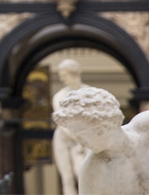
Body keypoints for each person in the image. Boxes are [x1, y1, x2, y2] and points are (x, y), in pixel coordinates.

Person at [53, 86, 149, 195]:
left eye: (81, 135)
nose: (80, 142)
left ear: (99, 126)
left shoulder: (145, 127)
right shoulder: (92, 172)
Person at [52, 60, 89, 195]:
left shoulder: (88, 93)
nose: (62, 78)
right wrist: (77, 137)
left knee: (81, 173)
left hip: (85, 138)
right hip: (64, 137)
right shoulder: (60, 96)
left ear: (73, 73)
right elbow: (62, 123)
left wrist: (83, 140)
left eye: (64, 75)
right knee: (67, 177)